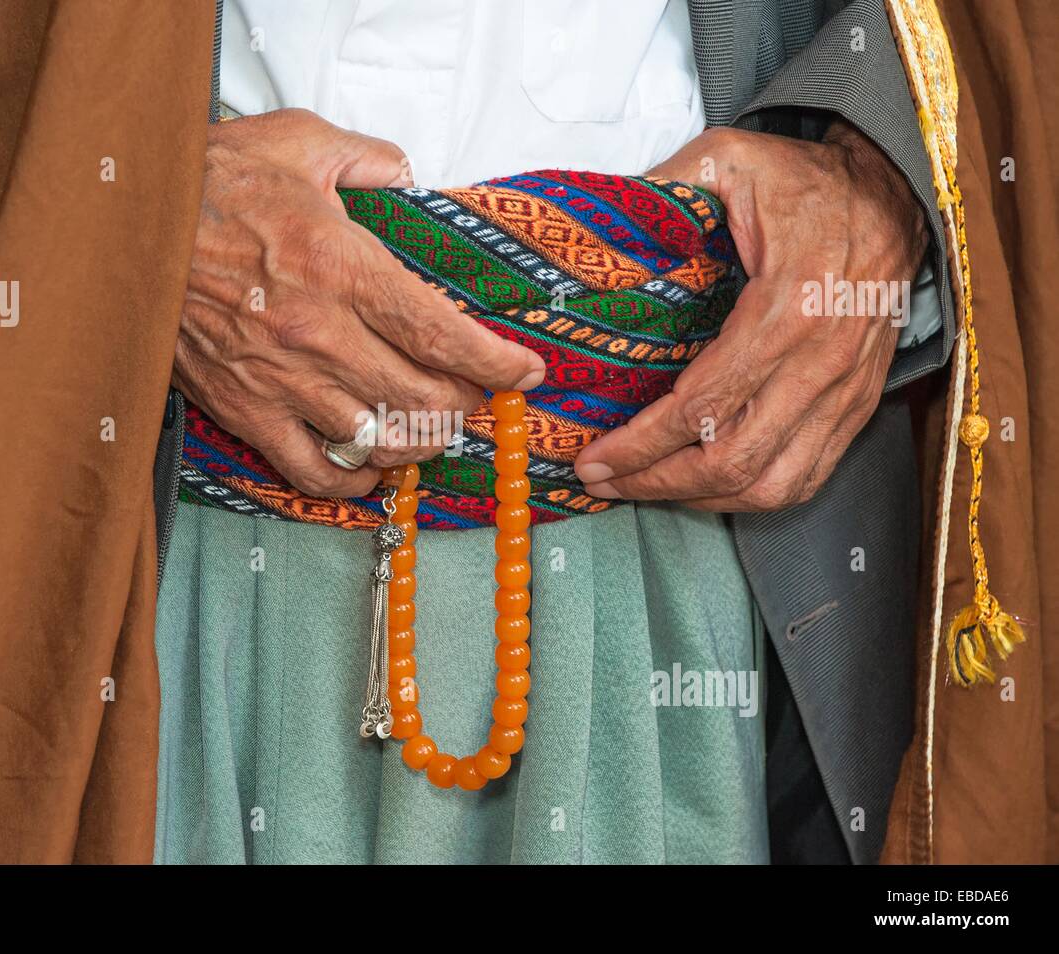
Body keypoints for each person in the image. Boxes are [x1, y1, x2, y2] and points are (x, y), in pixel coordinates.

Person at [151, 0, 950, 863]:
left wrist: (880, 170)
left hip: (683, 530)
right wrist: (132, 211)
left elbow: (996, 43)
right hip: (181, 507)